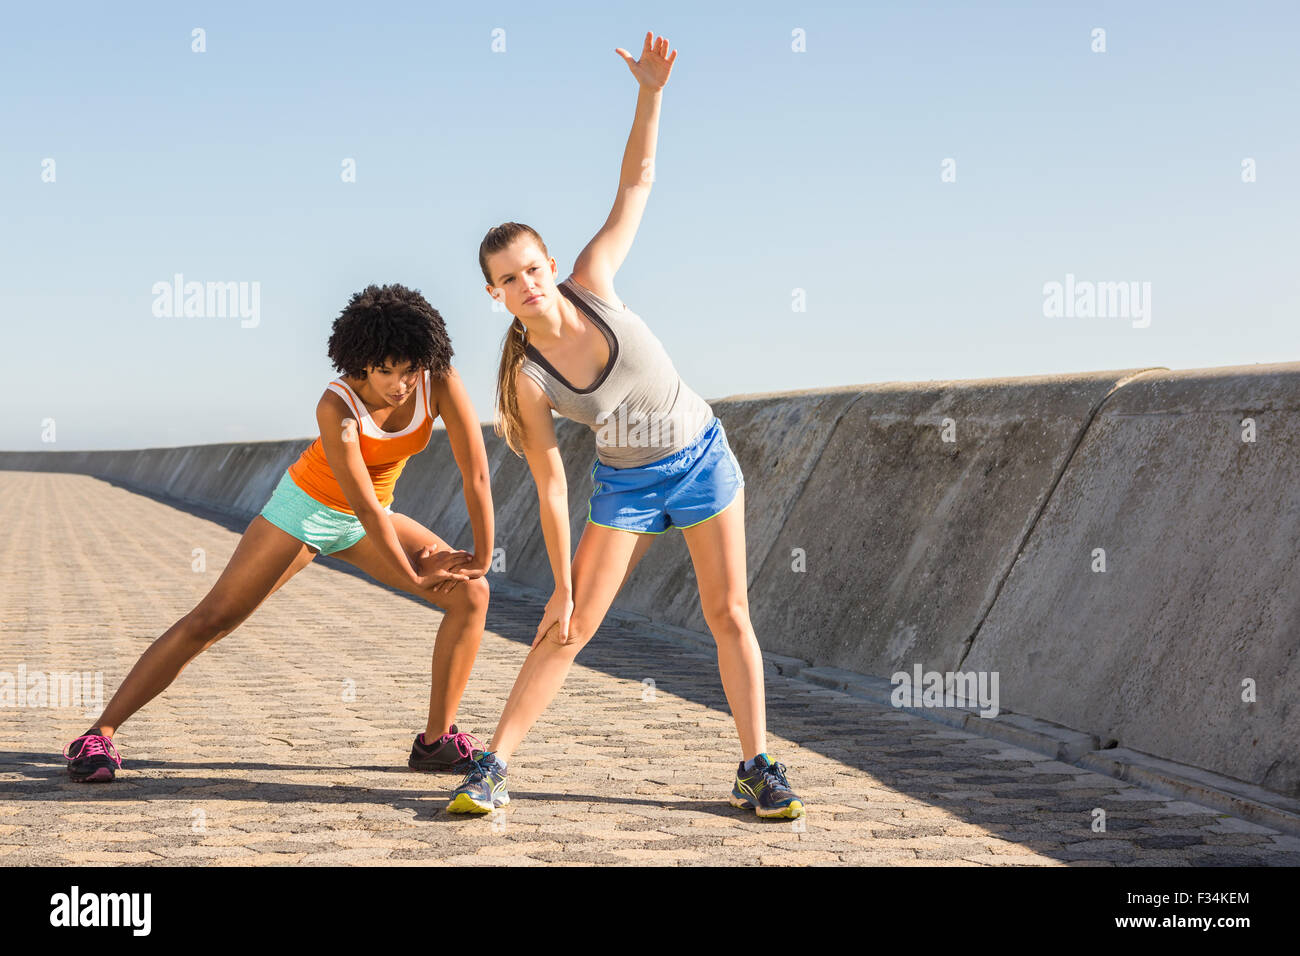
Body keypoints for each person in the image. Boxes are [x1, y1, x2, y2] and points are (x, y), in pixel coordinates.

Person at [448, 32, 804, 819]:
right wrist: (563, 588)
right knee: (566, 629)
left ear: (549, 265)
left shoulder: (593, 279)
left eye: (533, 269)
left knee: (728, 613)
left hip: (703, 458)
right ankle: (492, 767)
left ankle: (757, 766)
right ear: (496, 295)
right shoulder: (528, 379)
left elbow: (636, 182)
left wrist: (651, 93)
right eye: (510, 280)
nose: (529, 284)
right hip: (627, 486)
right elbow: (549, 486)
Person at [63, 284, 494, 782]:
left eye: (409, 370)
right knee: (213, 619)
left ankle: (436, 742)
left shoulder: (437, 381)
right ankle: (99, 735)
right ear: (360, 363)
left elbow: (476, 473)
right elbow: (362, 507)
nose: (400, 384)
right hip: (305, 511)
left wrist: (482, 554)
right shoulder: (336, 405)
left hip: (372, 514)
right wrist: (415, 578)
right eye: (385, 371)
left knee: (472, 593)